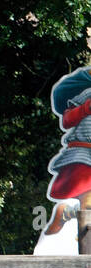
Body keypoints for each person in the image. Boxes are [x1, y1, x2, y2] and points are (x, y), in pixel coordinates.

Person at [36, 68, 91, 253]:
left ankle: (69, 213)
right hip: (84, 155)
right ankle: (68, 212)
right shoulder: (87, 93)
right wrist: (85, 108)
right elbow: (67, 119)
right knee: (87, 201)